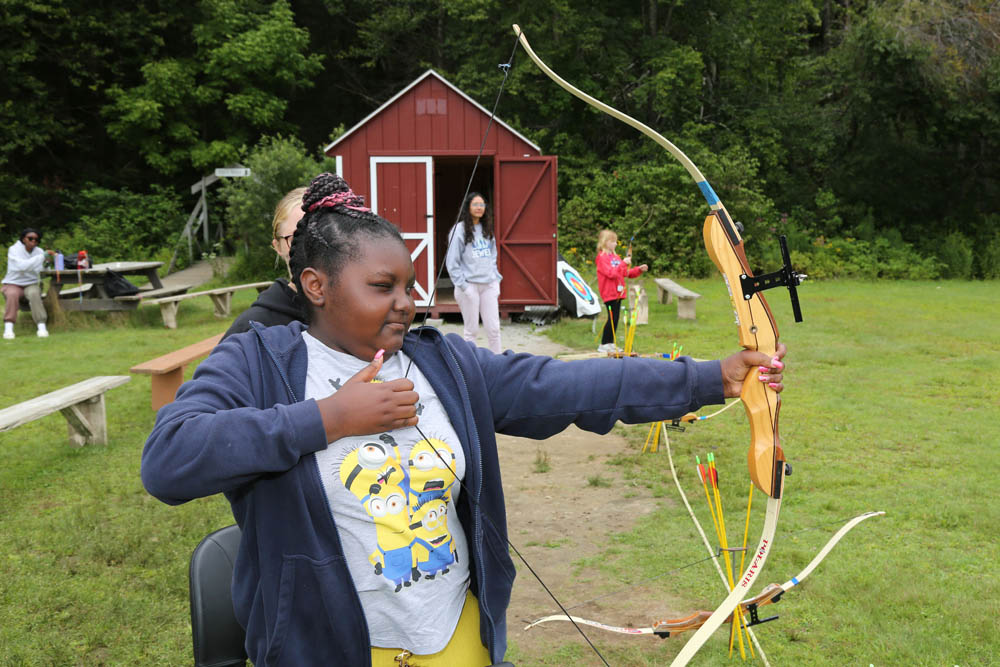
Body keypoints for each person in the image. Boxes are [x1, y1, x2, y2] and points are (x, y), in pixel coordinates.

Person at [141, 172, 787, 667]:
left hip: (454, 639)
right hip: (326, 648)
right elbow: (168, 457)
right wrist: (330, 417)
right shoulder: (259, 360)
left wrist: (710, 377)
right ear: (316, 285)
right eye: (382, 286)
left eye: (410, 284)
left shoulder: (438, 359)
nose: (408, 302)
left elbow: (561, 383)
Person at [223, 187, 308, 340]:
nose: (309, 246)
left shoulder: (349, 318)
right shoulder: (250, 330)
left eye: (318, 235)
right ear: (278, 247)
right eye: (295, 238)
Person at [445, 192, 502, 354]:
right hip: (469, 287)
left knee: (494, 329)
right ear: (468, 207)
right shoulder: (459, 230)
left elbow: (493, 256)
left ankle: (499, 362)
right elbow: (452, 261)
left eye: (482, 205)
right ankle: (472, 365)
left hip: (489, 285)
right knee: (472, 331)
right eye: (475, 204)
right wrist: (464, 286)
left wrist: (496, 280)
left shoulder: (486, 229)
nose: (479, 208)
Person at [595, 229, 647, 354]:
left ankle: (610, 343)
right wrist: (623, 263)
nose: (616, 244)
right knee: (612, 318)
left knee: (615, 318)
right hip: (609, 293)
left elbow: (625, 273)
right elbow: (611, 274)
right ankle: (604, 344)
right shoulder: (602, 258)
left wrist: (638, 270)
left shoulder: (615, 257)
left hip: (618, 293)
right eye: (613, 241)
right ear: (605, 242)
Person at [3, 228, 54, 339]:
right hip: (13, 283)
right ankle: (8, 328)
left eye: (36, 239)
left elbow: (43, 272)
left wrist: (46, 264)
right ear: (23, 239)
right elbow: (22, 267)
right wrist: (42, 257)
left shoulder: (39, 251)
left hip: (31, 283)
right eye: (30, 238)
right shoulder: (14, 250)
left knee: (34, 293)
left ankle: (41, 327)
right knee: (12, 294)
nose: (33, 241)